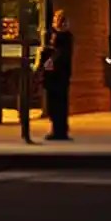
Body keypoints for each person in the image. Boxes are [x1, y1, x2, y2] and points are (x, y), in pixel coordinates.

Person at [40, 9, 74, 141]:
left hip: (57, 76)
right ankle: (59, 129)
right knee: (59, 103)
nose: (54, 22)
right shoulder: (64, 37)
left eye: (56, 19)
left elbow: (56, 57)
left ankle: (59, 130)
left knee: (56, 104)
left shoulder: (61, 37)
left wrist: (46, 63)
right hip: (61, 76)